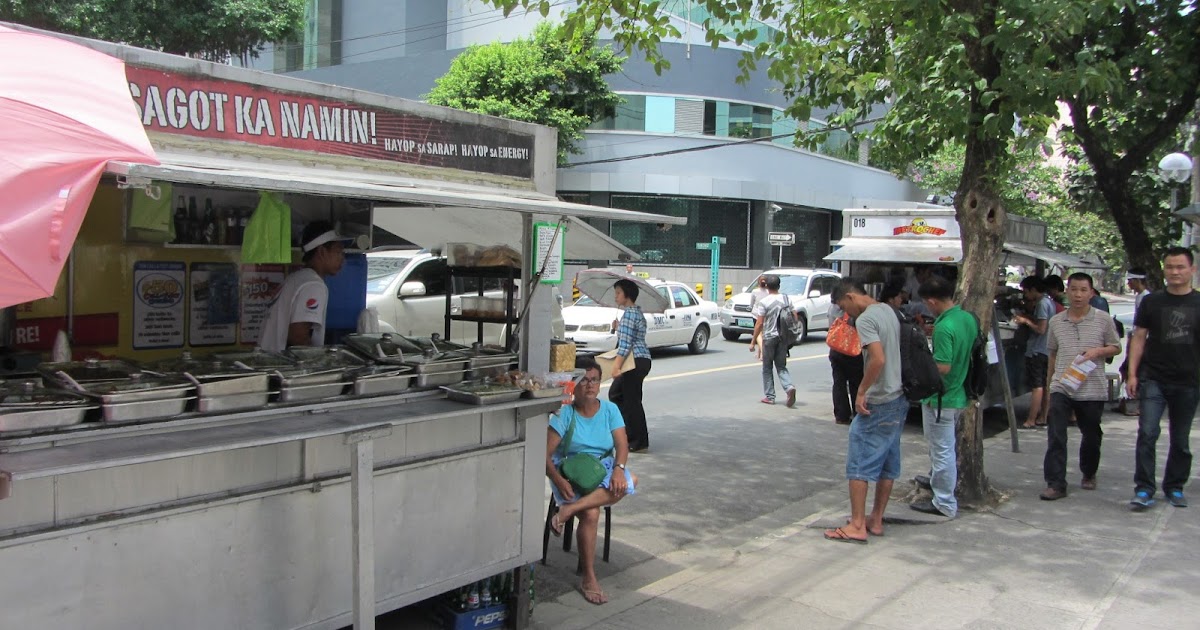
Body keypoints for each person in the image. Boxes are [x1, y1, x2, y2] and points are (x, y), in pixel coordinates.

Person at [546, 357, 638, 605]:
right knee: (592, 514)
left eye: (594, 380)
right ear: (573, 385)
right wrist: (558, 479)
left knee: (631, 480)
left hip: (602, 467)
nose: (590, 385)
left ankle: (569, 509)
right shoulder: (564, 413)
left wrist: (619, 469)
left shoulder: (610, 410)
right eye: (584, 380)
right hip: (569, 471)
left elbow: (621, 444)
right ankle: (588, 578)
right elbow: (545, 455)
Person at [823, 279, 906, 544]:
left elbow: (878, 358)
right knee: (887, 462)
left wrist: (860, 391)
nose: (845, 312)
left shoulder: (866, 319)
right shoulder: (887, 310)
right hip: (898, 397)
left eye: (842, 306)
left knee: (859, 462)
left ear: (850, 297)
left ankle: (857, 524)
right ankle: (876, 519)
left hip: (879, 399)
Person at [1126, 248, 1200, 511]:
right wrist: (1133, 373)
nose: (1175, 272)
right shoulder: (1152, 302)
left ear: (1192, 269)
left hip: (1188, 381)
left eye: (1180, 267)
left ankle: (1174, 487)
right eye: (1170, 267)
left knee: (1180, 439)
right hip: (1153, 378)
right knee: (1147, 433)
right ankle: (1144, 488)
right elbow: (1138, 338)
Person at [1039, 273, 1121, 501]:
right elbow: (1052, 355)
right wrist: (1049, 388)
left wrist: (1098, 352)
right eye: (1074, 289)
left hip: (1091, 387)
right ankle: (1055, 483)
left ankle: (1089, 471)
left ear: (1091, 293)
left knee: (1091, 434)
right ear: (1067, 291)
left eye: (1083, 290)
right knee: (1056, 434)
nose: (1078, 294)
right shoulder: (1056, 321)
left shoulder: (1103, 319)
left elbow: (1116, 347)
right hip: (1062, 385)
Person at [910, 276, 977, 518]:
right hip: (958, 393)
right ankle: (938, 485)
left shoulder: (944, 327)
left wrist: (921, 362)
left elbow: (943, 365)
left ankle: (944, 502)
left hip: (941, 397)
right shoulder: (966, 318)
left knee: (942, 451)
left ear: (931, 301)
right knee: (944, 449)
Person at [258, 220, 348, 353]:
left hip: (270, 361)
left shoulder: (297, 278)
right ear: (322, 251)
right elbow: (298, 338)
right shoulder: (313, 285)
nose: (342, 259)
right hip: (283, 367)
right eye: (339, 252)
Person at [609, 278, 652, 452]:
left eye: (618, 293)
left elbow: (625, 345)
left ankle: (637, 441)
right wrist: (619, 327)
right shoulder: (636, 313)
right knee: (619, 395)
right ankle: (630, 435)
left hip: (633, 362)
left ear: (627, 295)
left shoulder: (629, 315)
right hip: (642, 360)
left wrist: (616, 367)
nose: (616, 297)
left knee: (630, 401)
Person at [749, 275, 797, 407]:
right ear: (779, 286)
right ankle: (789, 387)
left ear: (767, 287)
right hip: (783, 337)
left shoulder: (764, 302)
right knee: (781, 366)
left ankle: (770, 396)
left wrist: (753, 341)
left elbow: (759, 324)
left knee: (767, 367)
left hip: (769, 337)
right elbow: (794, 315)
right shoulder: (786, 299)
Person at [1013, 275, 1054, 429]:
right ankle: (1043, 416)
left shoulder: (1042, 304)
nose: (1025, 295)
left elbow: (1041, 329)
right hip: (1046, 349)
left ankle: (1031, 419)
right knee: (1044, 384)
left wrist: (1026, 321)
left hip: (1038, 350)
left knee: (1037, 386)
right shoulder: (1049, 301)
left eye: (1026, 292)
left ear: (1033, 290)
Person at [1117, 268, 1152, 416]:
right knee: (1125, 369)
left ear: (1138, 281)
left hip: (1143, 341)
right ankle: (1130, 400)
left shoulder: (1146, 298)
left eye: (1130, 281)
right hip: (1135, 337)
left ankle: (1136, 401)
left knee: (1134, 370)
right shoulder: (1140, 297)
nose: (1129, 284)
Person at [828, 302, 863, 426]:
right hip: (851, 350)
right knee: (855, 382)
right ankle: (857, 413)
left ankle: (841, 415)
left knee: (838, 383)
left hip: (836, 349)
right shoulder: (853, 310)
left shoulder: (832, 308)